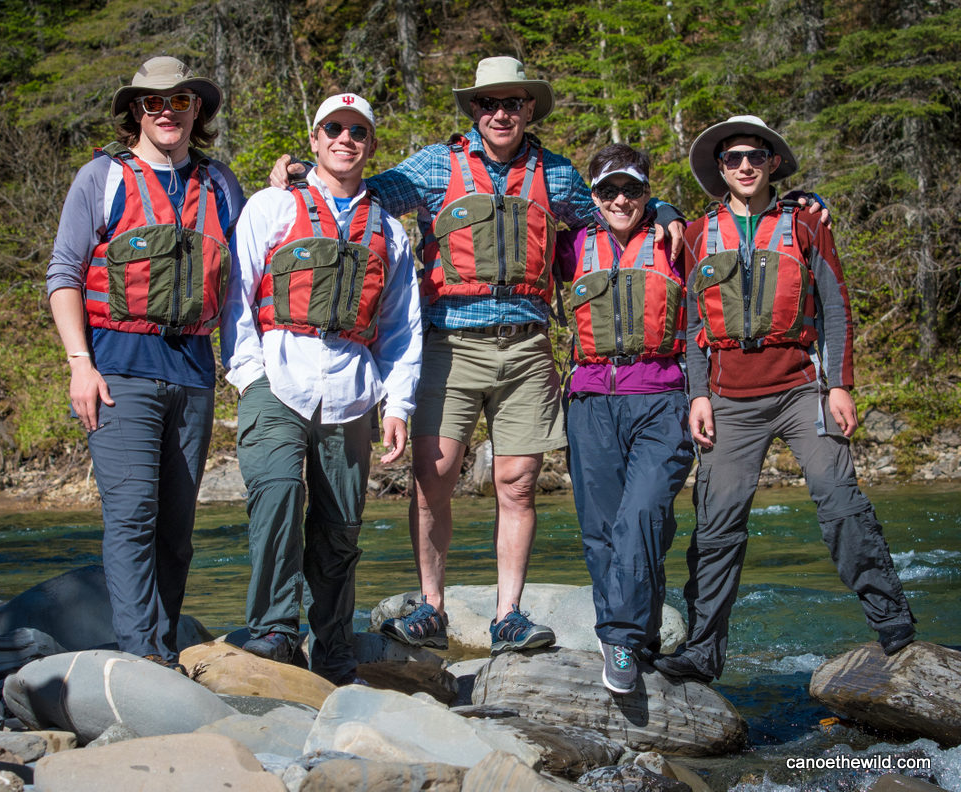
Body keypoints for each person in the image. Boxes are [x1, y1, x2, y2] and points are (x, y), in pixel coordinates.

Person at [271, 58, 684, 656]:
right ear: (473, 111)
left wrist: (667, 210)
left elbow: (618, 205)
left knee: (517, 483)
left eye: (512, 103)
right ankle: (431, 606)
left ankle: (509, 613)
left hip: (526, 349)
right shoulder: (439, 165)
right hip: (450, 343)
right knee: (432, 476)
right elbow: (364, 189)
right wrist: (303, 170)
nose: (500, 114)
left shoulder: (558, 175)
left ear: (528, 110)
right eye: (489, 103)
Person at [654, 115, 916, 685]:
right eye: (732, 159)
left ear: (773, 163)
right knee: (718, 524)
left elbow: (837, 308)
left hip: (802, 389)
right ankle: (703, 651)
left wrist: (840, 383)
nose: (744, 166)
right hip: (727, 397)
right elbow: (691, 325)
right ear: (719, 169)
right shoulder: (698, 234)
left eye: (755, 156)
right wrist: (697, 395)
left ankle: (892, 619)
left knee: (839, 499)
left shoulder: (806, 224)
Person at [47, 56, 244, 671]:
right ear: (136, 110)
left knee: (176, 534)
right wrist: (81, 364)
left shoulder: (221, 184)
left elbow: (249, 268)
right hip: (118, 370)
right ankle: (140, 656)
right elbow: (65, 274)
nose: (167, 113)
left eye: (180, 102)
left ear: (196, 112)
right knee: (132, 514)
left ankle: (161, 644)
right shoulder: (100, 178)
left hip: (193, 372)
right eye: (153, 103)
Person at [220, 93, 422, 685]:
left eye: (357, 131)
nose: (345, 139)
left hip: (353, 393)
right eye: (333, 128)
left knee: (340, 528)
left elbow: (404, 328)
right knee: (278, 495)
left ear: (370, 146)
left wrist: (398, 404)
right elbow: (237, 294)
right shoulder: (270, 207)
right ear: (314, 140)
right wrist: (250, 372)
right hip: (275, 381)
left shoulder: (389, 231)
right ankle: (275, 630)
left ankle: (332, 644)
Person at [556, 144, 694, 693]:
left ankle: (620, 639)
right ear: (593, 197)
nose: (620, 200)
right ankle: (640, 639)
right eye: (608, 191)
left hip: (662, 399)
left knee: (643, 518)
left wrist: (810, 199)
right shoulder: (572, 248)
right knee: (602, 531)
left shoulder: (677, 241)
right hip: (589, 402)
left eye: (632, 190)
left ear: (647, 193)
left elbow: (745, 224)